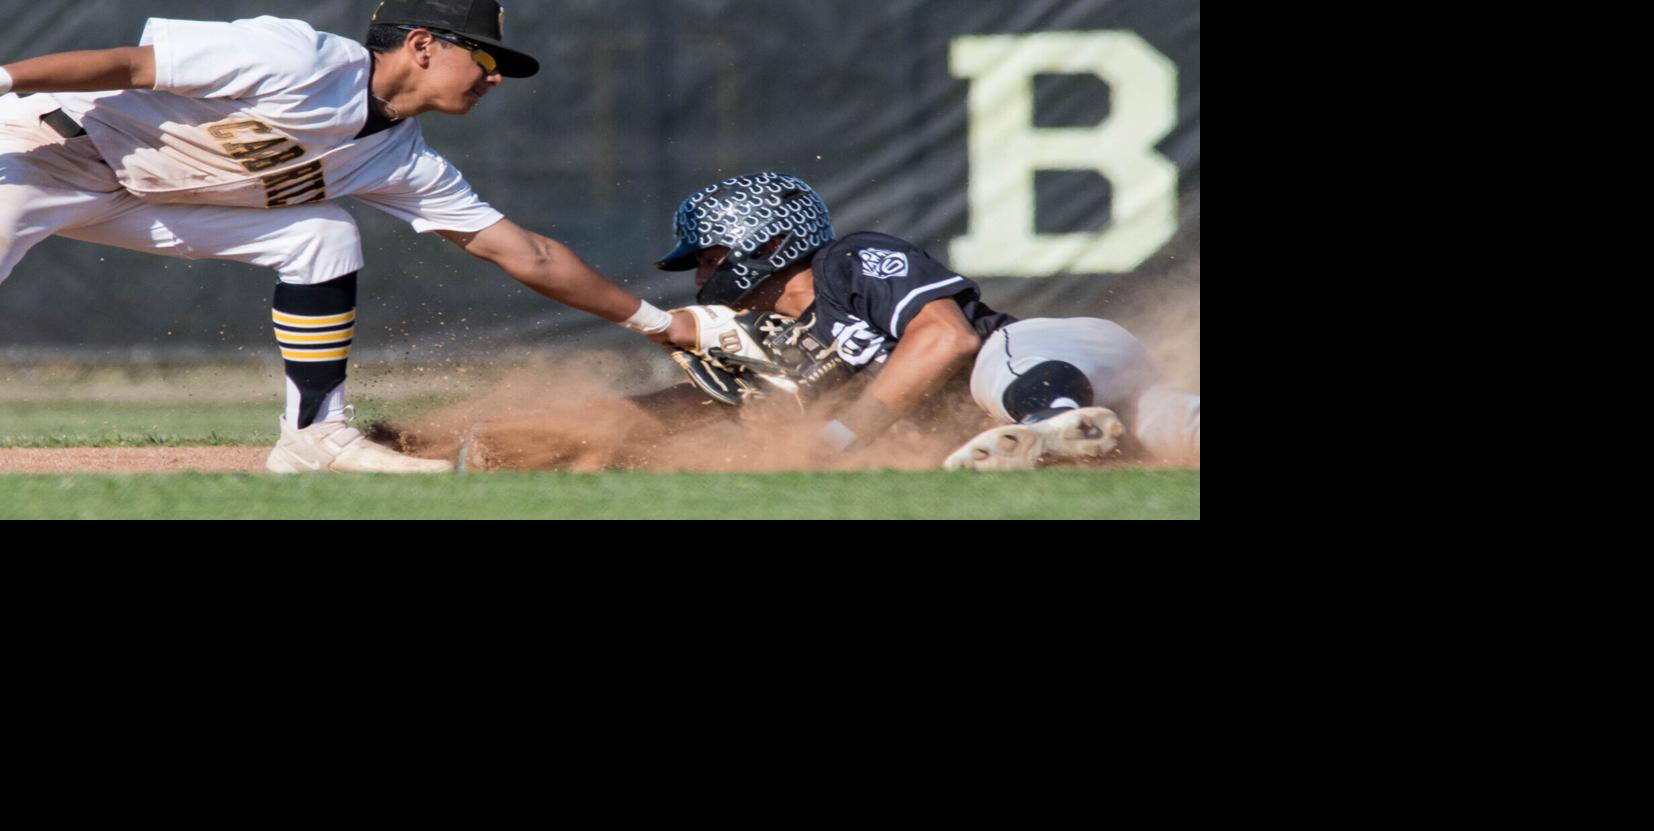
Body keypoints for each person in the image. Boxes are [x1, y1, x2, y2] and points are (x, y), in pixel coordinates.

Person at [1, 0, 689, 474]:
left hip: (133, 199)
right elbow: (128, 65)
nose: (495, 74)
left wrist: (662, 324)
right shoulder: (301, 59)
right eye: (484, 54)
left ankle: (312, 437)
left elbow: (523, 251)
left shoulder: (403, 160)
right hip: (39, 155)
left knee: (319, 234)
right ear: (422, 45)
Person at [656, 171, 1202, 469]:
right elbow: (717, 406)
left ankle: (1051, 423)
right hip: (1080, 405)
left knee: (996, 361)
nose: (703, 279)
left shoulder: (848, 261)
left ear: (769, 242)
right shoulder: (781, 340)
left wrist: (837, 439)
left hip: (1047, 355)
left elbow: (948, 339)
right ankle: (1064, 431)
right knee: (1175, 433)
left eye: (710, 258)